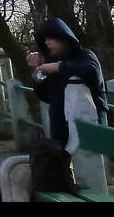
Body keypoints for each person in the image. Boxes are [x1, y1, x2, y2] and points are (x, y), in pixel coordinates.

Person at [28, 17, 107, 146]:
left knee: (91, 160)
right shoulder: (50, 61)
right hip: (59, 125)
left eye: (50, 38)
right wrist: (37, 75)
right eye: (45, 40)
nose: (46, 43)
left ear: (63, 38)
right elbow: (46, 96)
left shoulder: (85, 55)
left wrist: (58, 67)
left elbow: (91, 71)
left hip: (88, 121)